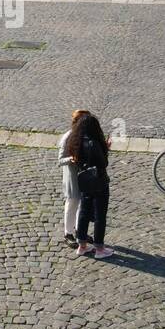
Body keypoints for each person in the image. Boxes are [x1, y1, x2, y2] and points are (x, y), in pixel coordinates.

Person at [69, 113, 114, 259]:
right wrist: (106, 149)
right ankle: (99, 248)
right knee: (100, 215)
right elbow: (103, 164)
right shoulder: (94, 143)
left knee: (84, 212)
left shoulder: (76, 142)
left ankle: (82, 245)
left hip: (84, 181)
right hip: (99, 182)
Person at [56, 109, 92, 248]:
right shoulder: (68, 137)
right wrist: (72, 158)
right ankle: (68, 233)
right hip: (72, 176)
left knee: (82, 204)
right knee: (71, 203)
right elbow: (60, 160)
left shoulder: (85, 135)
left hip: (83, 174)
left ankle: (79, 231)